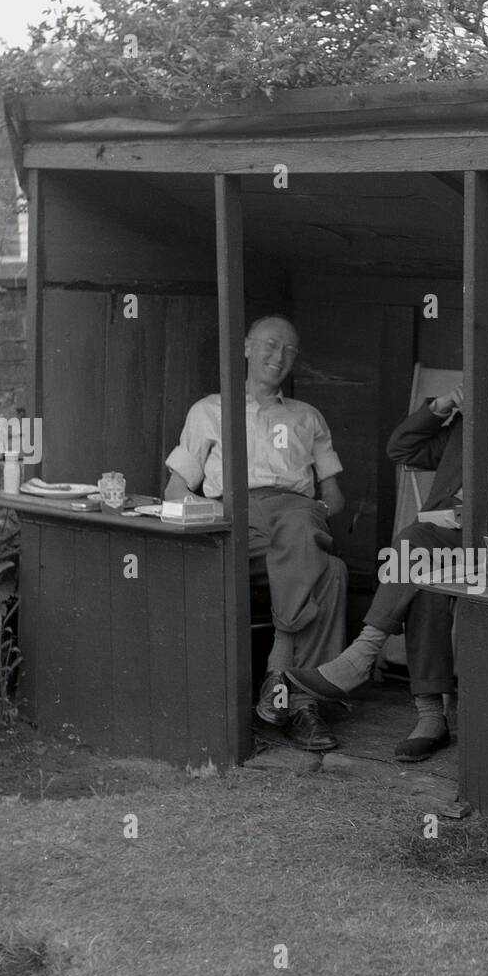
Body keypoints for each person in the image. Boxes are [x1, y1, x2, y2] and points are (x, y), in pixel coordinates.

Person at [287, 341, 488, 761]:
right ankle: (430, 716)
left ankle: (369, 663)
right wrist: (441, 405)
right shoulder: (480, 421)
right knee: (425, 576)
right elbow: (401, 449)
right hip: (453, 532)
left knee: (414, 546)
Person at [165, 315, 347, 752]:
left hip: (296, 512)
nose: (278, 356)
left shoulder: (308, 417)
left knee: (316, 546)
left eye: (288, 350)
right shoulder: (209, 410)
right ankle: (290, 686)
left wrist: (313, 514)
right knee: (331, 572)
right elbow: (175, 487)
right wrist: (209, 516)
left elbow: (334, 496)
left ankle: (292, 697)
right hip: (235, 516)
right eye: (269, 345)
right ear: (246, 348)